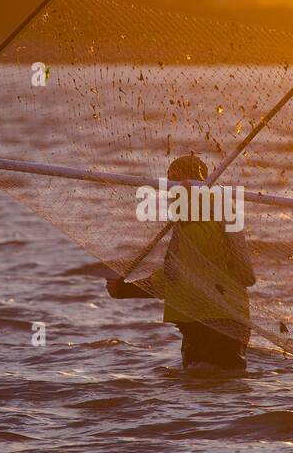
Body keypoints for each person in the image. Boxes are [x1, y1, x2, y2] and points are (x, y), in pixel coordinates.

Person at [106, 154, 255, 371]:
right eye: (171, 183)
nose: (172, 192)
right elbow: (172, 277)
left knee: (210, 384)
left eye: (177, 182)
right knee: (206, 387)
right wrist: (125, 290)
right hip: (198, 325)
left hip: (221, 323)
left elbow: (222, 266)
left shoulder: (213, 212)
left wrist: (125, 290)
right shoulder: (186, 222)